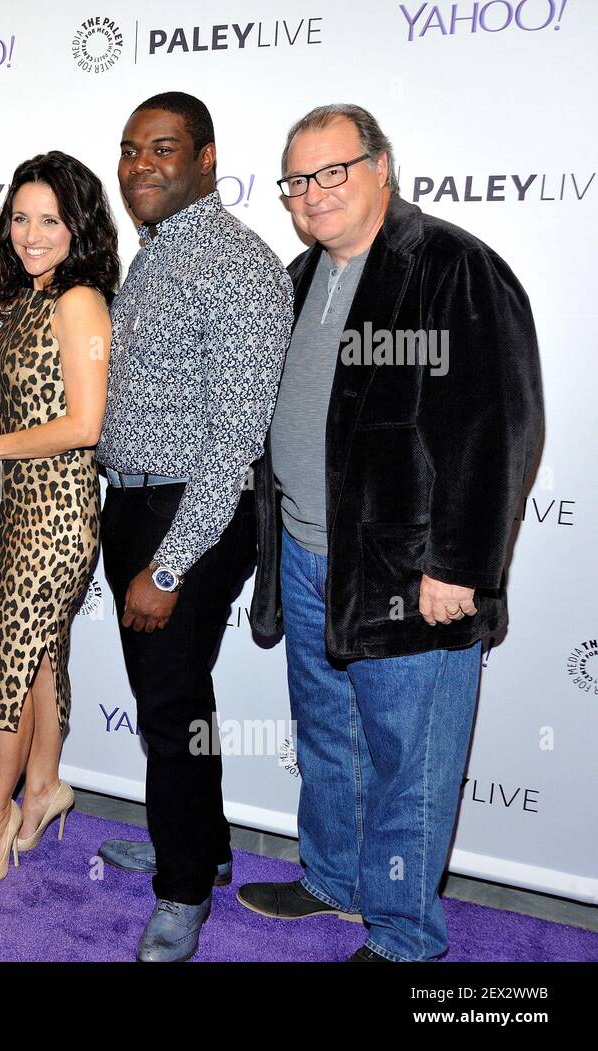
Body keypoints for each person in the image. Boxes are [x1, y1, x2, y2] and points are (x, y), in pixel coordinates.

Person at [239, 105, 544, 962]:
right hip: (309, 558)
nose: (315, 193)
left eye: (334, 171)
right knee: (329, 733)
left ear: (382, 167)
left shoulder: (450, 267)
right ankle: (335, 878)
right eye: (299, 180)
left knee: (408, 759)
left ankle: (407, 935)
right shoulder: (302, 276)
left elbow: (497, 428)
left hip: (413, 572)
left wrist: (460, 567)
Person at [94, 92, 294, 962]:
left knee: (172, 708)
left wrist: (170, 566)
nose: (140, 164)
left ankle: (181, 892)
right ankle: (198, 847)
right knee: (169, 700)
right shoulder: (157, 249)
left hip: (192, 517)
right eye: (131, 148)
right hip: (136, 503)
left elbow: (235, 438)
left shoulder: (236, 264)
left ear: (207, 159)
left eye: (162, 148)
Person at [0, 152, 116, 887]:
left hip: (57, 512)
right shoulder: (21, 301)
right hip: (13, 506)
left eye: (50, 219)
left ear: (78, 227)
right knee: (39, 654)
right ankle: (46, 786)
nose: (31, 233)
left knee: (9, 667)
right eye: (20, 217)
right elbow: (4, 404)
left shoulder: (79, 300)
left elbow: (83, 423)